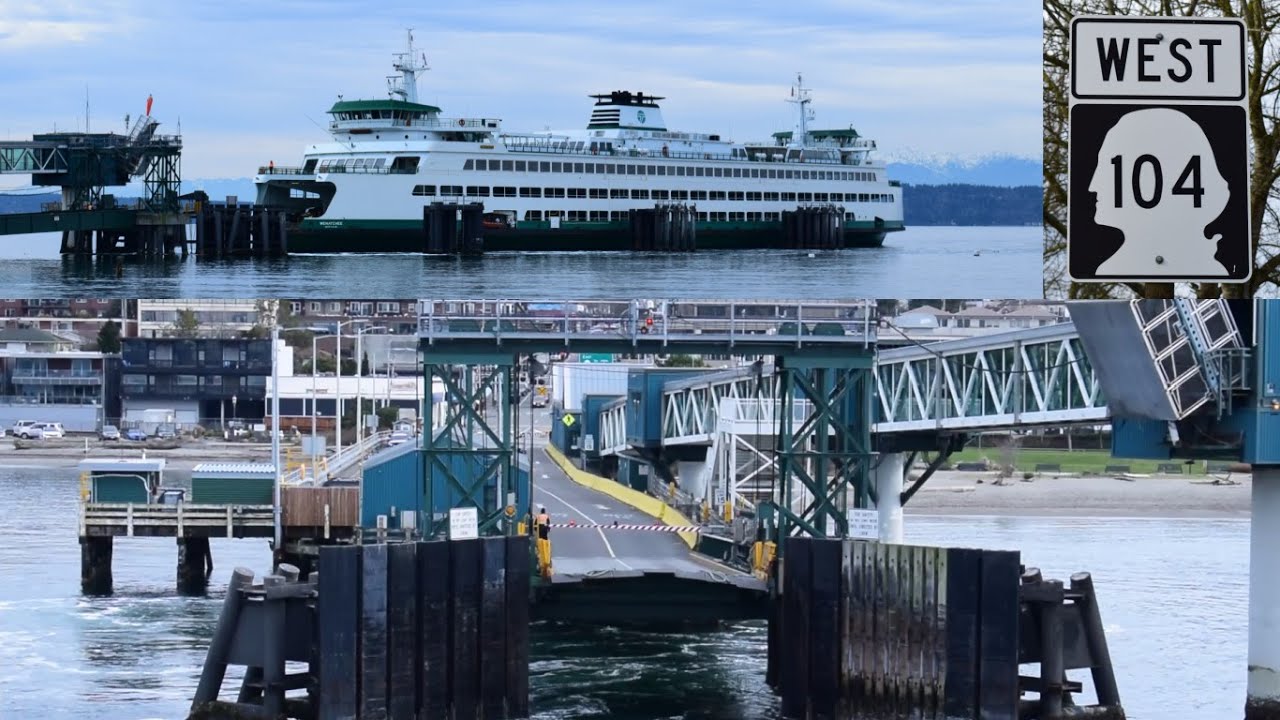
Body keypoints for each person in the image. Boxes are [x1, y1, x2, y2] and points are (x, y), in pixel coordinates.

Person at [1088, 108, 1231, 278]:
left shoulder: (1209, 268)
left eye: (1105, 168)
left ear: (1146, 178)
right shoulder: (1110, 268)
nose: (1093, 186)